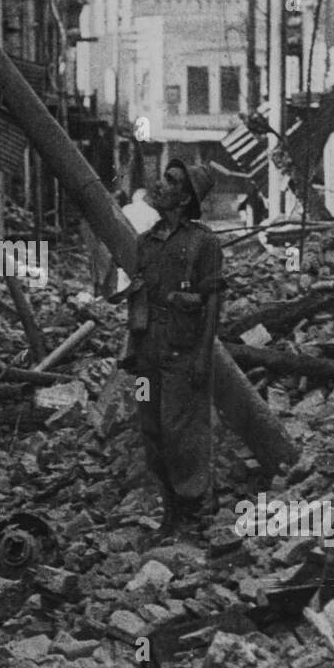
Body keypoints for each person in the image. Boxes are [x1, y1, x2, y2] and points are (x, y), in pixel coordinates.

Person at [119, 159, 227, 539]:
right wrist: (132, 350)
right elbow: (139, 299)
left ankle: (194, 513)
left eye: (171, 181)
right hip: (149, 352)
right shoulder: (145, 242)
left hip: (183, 353)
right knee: (153, 431)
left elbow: (212, 302)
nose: (161, 185)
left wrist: (203, 356)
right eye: (164, 177)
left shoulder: (204, 243)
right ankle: (171, 513)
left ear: (184, 199)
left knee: (184, 434)